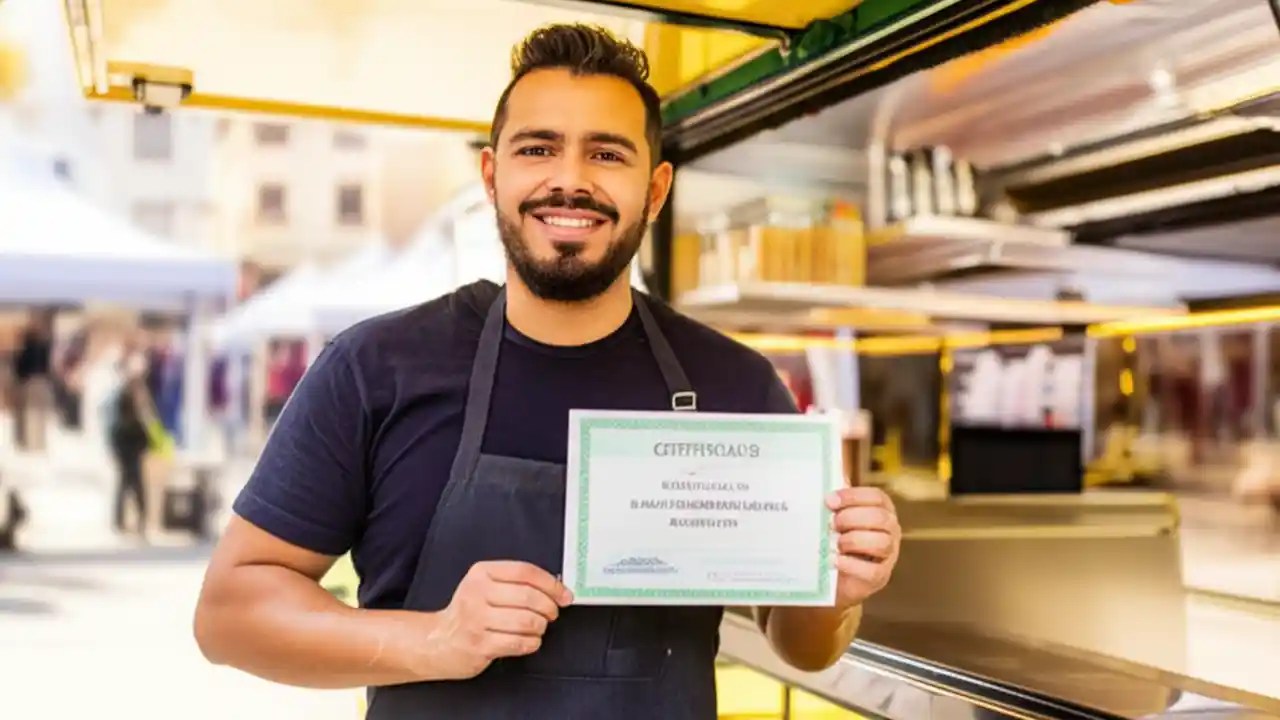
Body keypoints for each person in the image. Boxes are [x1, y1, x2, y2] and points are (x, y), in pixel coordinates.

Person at [194, 25, 901, 718]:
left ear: (654, 192)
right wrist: (433, 639)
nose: (570, 180)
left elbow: (800, 643)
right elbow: (230, 614)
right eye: (538, 149)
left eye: (606, 154)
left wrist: (837, 593)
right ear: (492, 175)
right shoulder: (376, 368)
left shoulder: (738, 387)